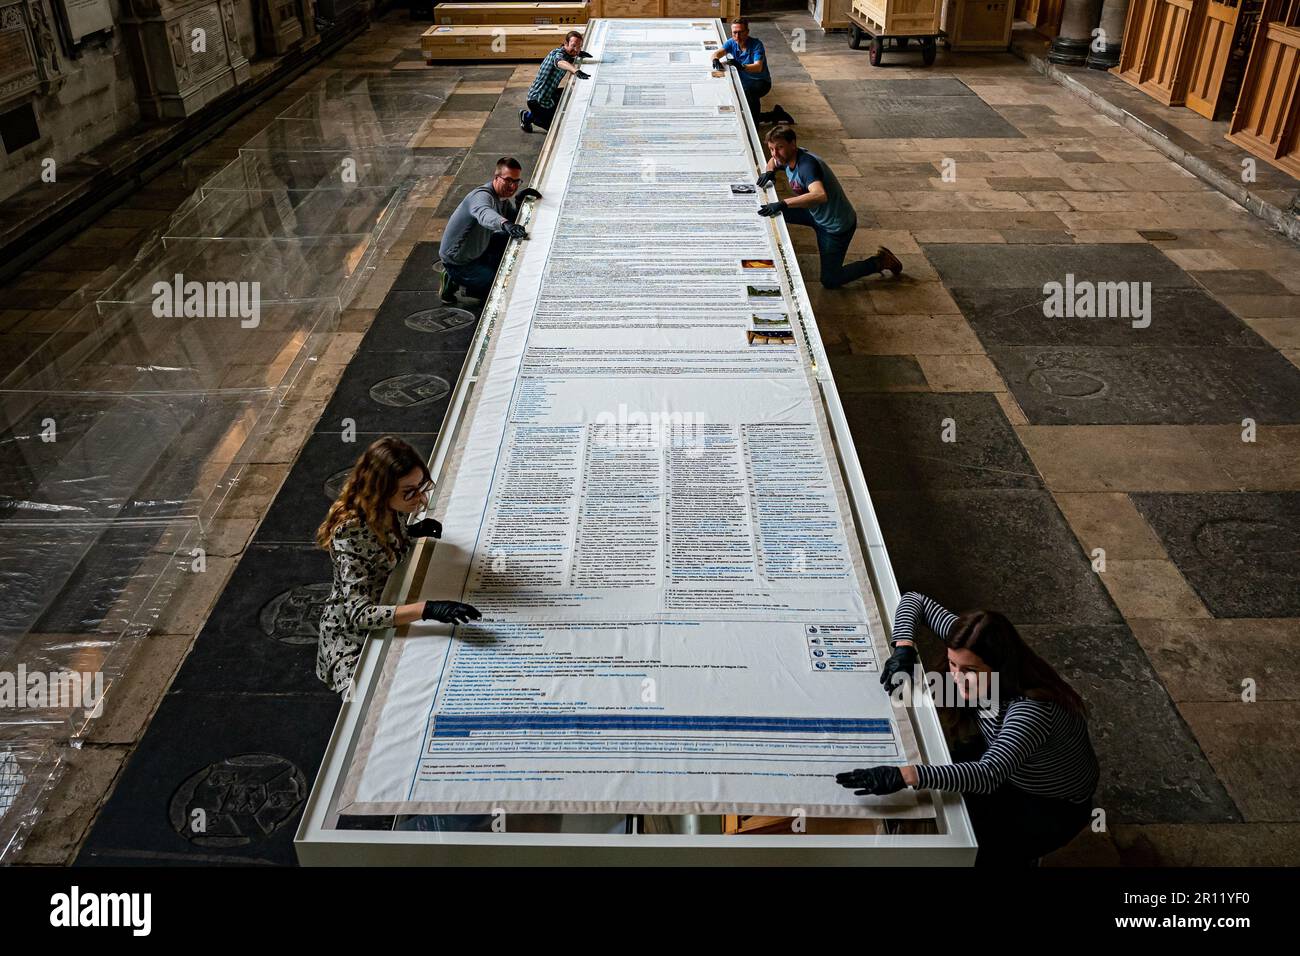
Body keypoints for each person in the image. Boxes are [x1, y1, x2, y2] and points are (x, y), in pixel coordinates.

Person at [836, 591, 1101, 866]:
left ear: (1001, 667)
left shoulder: (1030, 710)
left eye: (970, 670)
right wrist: (904, 648)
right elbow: (915, 600)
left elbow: (988, 775)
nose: (958, 678)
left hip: (1048, 805)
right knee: (941, 785)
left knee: (979, 854)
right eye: (953, 664)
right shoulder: (971, 641)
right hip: (1007, 762)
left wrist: (904, 775)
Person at [314, 436, 481, 696]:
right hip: (353, 639)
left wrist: (409, 532)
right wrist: (428, 609)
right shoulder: (349, 531)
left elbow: (382, 545)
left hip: (393, 591)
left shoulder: (390, 506)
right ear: (381, 490)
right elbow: (360, 615)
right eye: (409, 491)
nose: (420, 498)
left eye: (420, 486)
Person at [756, 124, 902, 289]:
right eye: (771, 148)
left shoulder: (806, 166)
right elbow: (774, 162)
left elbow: (819, 195)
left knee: (830, 279)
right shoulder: (787, 156)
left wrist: (783, 203)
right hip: (814, 213)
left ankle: (880, 261)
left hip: (835, 225)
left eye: (779, 148)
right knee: (767, 212)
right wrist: (769, 172)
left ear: (793, 144)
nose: (775, 153)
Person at [438, 157, 541, 303]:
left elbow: (513, 222)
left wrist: (519, 201)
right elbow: (484, 213)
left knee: (509, 237)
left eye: (516, 181)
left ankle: (470, 277)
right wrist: (506, 224)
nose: (512, 186)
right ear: (496, 177)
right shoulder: (481, 196)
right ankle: (456, 282)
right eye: (508, 180)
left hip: (477, 249)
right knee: (498, 287)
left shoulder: (501, 197)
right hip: (459, 261)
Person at [711, 18, 794, 126]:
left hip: (760, 81)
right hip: (744, 81)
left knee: (749, 95)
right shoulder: (731, 43)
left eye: (740, 32)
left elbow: (758, 67)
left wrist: (741, 66)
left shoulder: (756, 45)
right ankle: (775, 114)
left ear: (747, 32)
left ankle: (754, 125)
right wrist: (715, 59)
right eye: (734, 33)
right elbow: (716, 53)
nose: (737, 36)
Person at [520, 30, 591, 133]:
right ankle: (528, 117)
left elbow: (569, 57)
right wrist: (576, 71)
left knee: (570, 95)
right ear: (566, 43)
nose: (576, 49)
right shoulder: (557, 54)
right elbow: (560, 62)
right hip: (537, 100)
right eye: (574, 46)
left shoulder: (568, 54)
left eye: (579, 47)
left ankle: (537, 114)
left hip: (549, 94)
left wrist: (579, 54)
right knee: (556, 129)